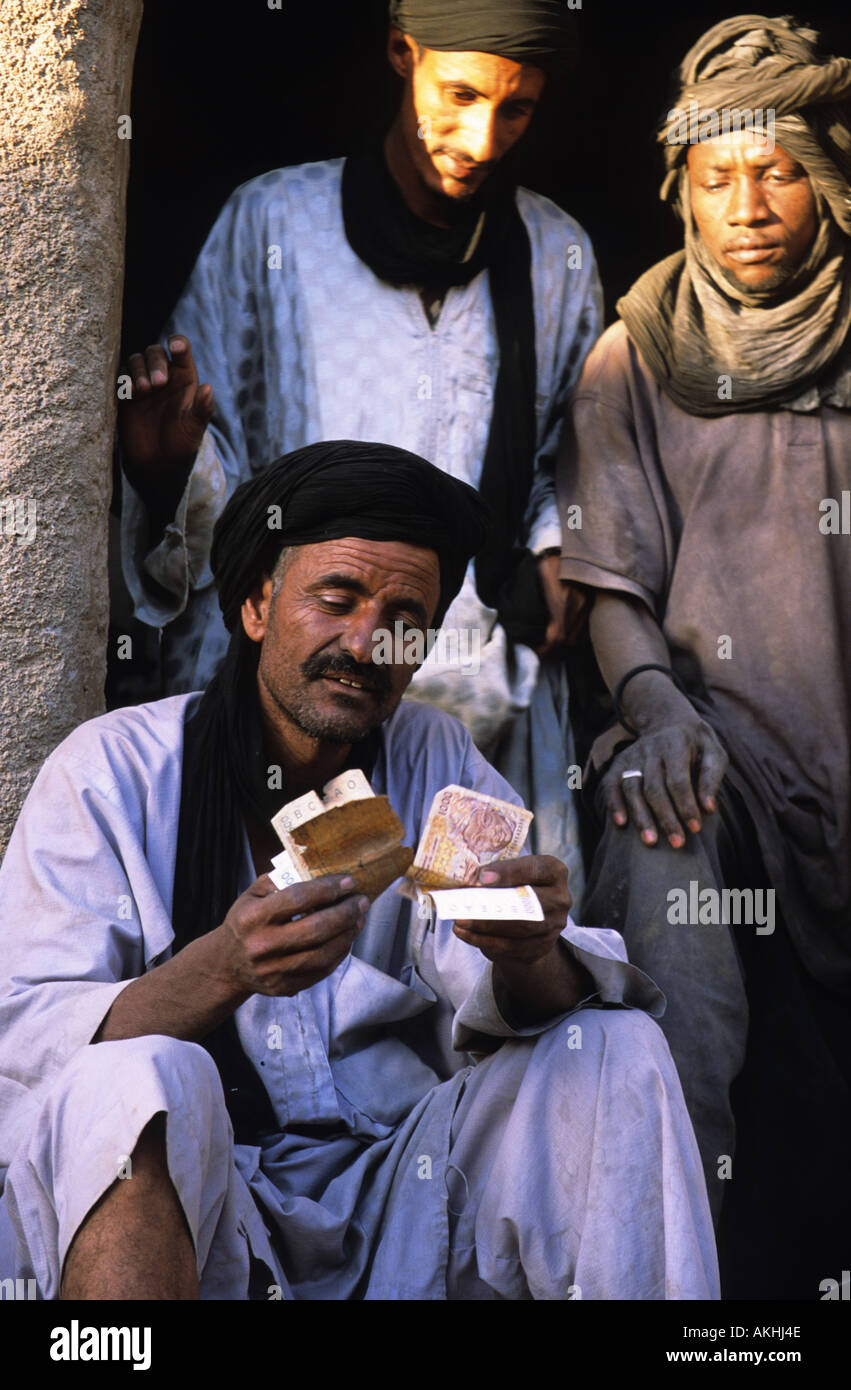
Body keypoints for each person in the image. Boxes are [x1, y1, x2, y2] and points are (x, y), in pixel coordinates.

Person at [0, 441, 717, 1301]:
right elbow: (24, 1043)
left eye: (404, 616)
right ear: (257, 604)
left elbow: (527, 987)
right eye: (335, 600)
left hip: (399, 1202)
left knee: (609, 1041)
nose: (367, 642)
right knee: (134, 1079)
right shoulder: (111, 772)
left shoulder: (434, 760)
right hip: (200, 1205)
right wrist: (220, 971)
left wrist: (534, 950)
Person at [118, 0, 603, 904]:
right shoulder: (272, 223)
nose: (482, 136)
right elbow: (217, 447)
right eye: (457, 93)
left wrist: (552, 540)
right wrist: (167, 470)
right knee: (284, 937)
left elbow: (563, 455)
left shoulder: (554, 252)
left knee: (466, 944)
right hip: (293, 667)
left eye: (518, 108)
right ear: (399, 53)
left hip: (480, 674)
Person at [556, 15, 851, 1298]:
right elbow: (608, 584)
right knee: (657, 840)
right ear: (677, 185)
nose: (746, 206)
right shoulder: (634, 356)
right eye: (714, 175)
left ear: (828, 180)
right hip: (718, 749)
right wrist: (655, 707)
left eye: (775, 169)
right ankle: (669, 1276)